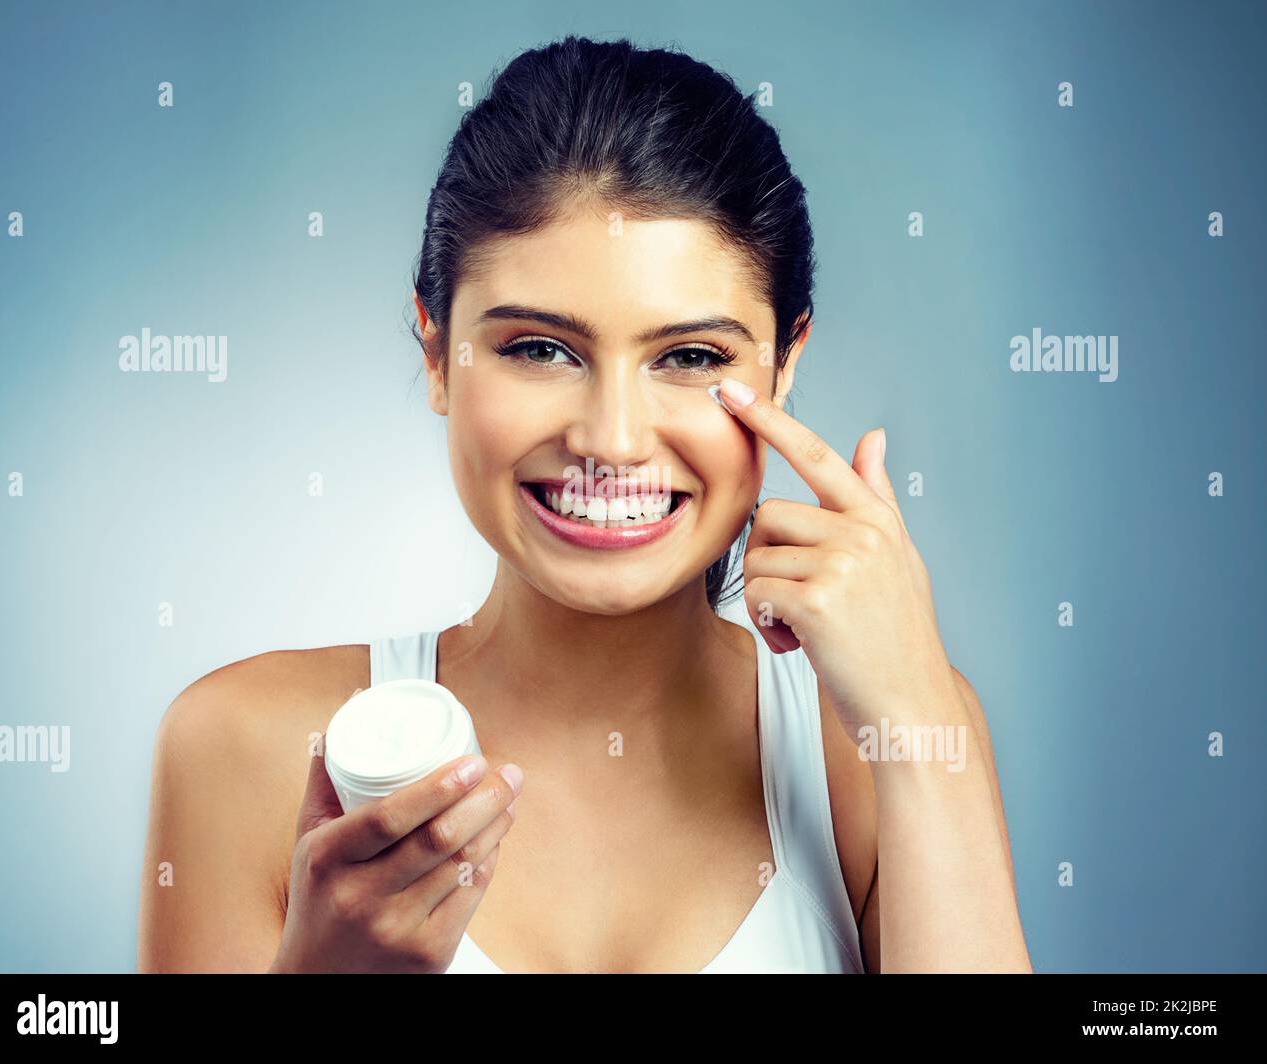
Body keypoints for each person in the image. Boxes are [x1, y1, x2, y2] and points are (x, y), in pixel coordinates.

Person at [137, 34, 1031, 974]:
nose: (611, 439)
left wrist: (927, 724)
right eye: (538, 348)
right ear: (438, 353)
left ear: (787, 361)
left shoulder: (879, 739)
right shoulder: (246, 751)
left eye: (691, 357)